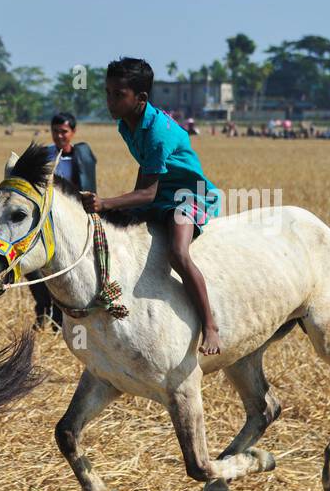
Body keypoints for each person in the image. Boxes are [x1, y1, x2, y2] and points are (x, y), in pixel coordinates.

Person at [80, 57, 224, 355]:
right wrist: (121, 207)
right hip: (160, 193)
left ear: (141, 98)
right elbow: (144, 174)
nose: (110, 101)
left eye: (118, 95)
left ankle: (210, 325)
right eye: (107, 92)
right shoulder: (126, 124)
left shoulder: (159, 133)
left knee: (177, 253)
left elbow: (147, 192)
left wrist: (106, 202)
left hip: (187, 195)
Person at [35, 112, 97, 330]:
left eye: (64, 131)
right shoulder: (44, 157)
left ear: (73, 132)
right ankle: (43, 310)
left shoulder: (81, 158)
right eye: (55, 131)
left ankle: (64, 316)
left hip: (71, 220)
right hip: (46, 219)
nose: (59, 136)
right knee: (36, 266)